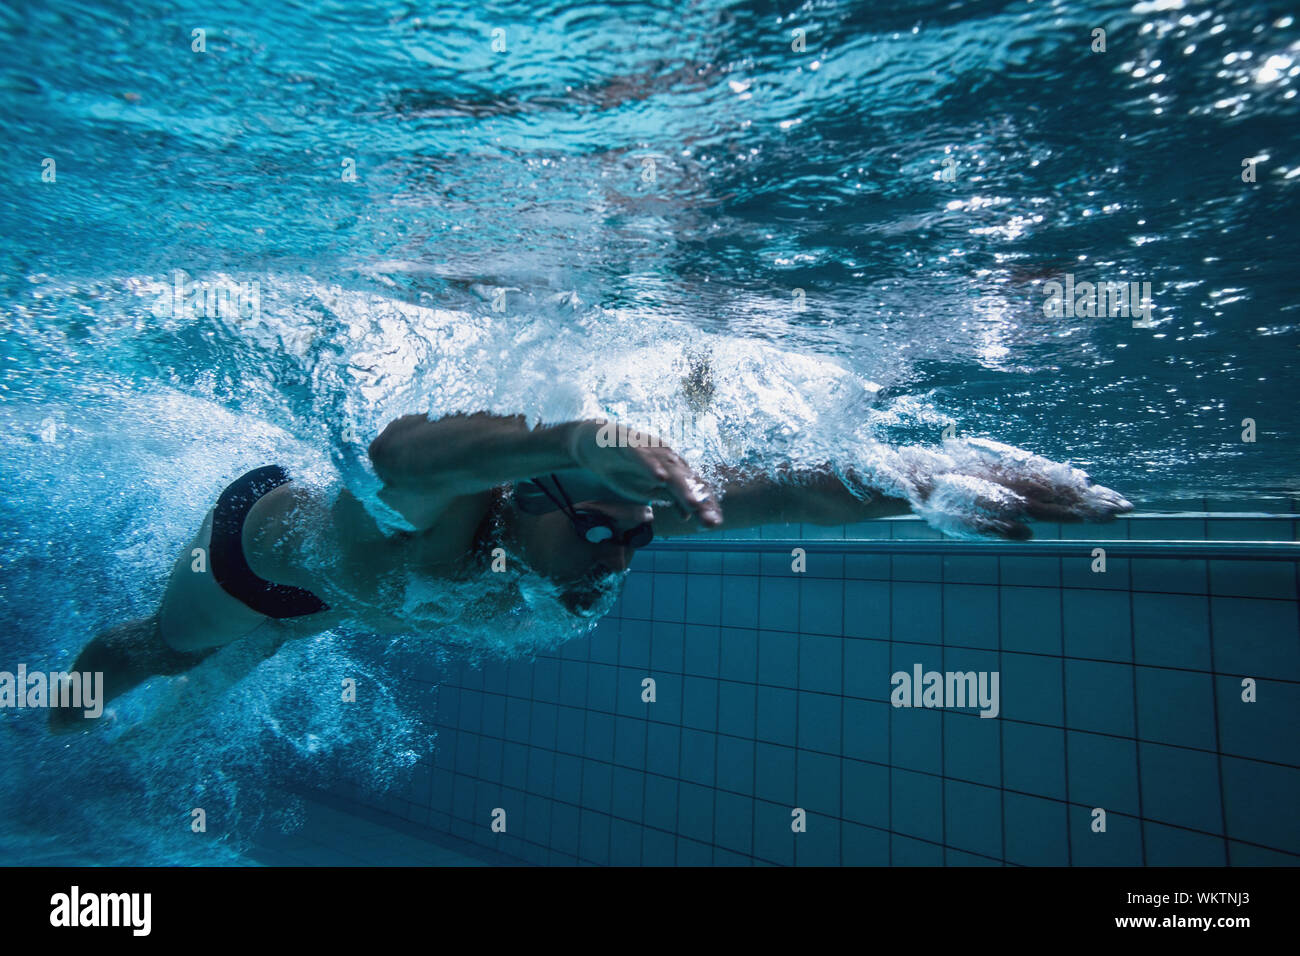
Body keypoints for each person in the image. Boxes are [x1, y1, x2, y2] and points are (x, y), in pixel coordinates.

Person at [49, 412, 1130, 732]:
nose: (625, 552)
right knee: (159, 649)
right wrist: (572, 432)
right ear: (533, 492)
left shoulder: (609, 516)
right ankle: (58, 714)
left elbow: (803, 492)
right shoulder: (432, 510)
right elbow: (396, 455)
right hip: (253, 560)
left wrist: (933, 480)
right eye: (608, 527)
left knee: (271, 651)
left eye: (638, 528)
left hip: (344, 597)